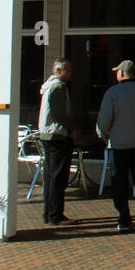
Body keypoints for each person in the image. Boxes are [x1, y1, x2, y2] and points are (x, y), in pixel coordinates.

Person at [97, 59, 135, 231]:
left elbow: (104, 120)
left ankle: (124, 218)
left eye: (117, 71)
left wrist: (103, 135)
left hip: (119, 144)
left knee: (120, 181)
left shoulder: (113, 92)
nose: (116, 74)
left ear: (122, 73)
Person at [37, 58, 77, 226]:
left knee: (50, 176)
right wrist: (70, 129)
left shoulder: (48, 86)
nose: (71, 73)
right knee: (58, 177)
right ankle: (55, 215)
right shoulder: (59, 87)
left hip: (47, 135)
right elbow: (59, 112)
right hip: (57, 135)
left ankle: (49, 214)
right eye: (68, 70)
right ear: (59, 71)